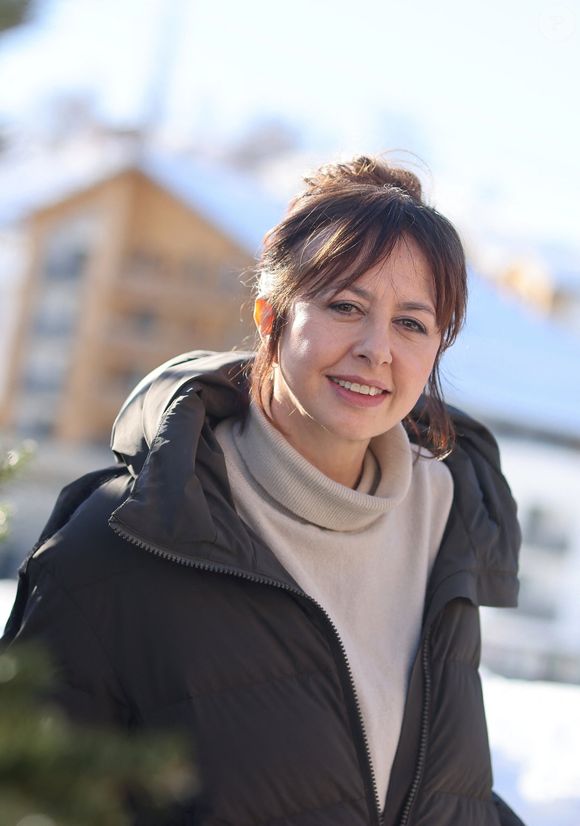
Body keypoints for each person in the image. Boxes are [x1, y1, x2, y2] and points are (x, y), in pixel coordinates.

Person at [2, 155, 524, 825]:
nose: (377, 349)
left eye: (412, 323)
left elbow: (445, 790)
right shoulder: (123, 538)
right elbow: (32, 798)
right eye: (345, 306)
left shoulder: (453, 522)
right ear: (270, 316)